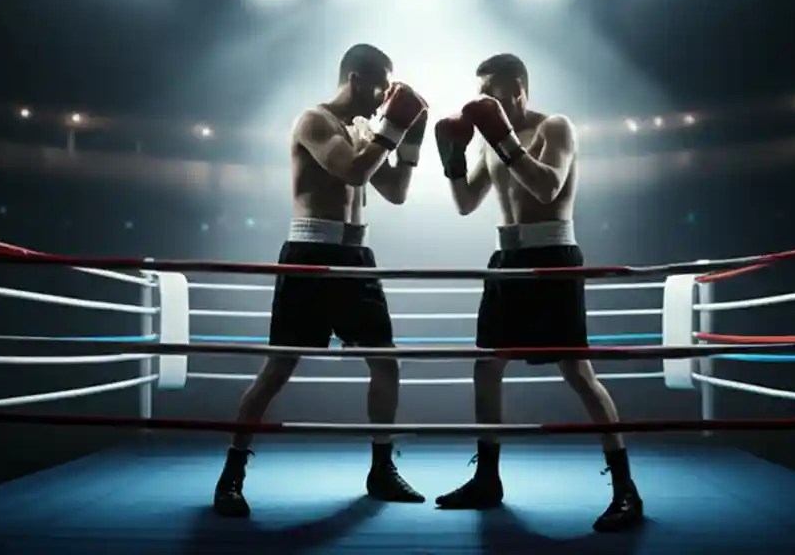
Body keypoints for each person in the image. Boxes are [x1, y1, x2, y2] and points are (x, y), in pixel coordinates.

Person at [213, 43, 429, 517]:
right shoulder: (314, 121)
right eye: (381, 85)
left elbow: (392, 192)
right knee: (277, 370)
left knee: (386, 363)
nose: (385, 96)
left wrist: (411, 138)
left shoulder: (363, 129)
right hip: (310, 253)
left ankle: (381, 470)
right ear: (355, 78)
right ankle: (231, 476)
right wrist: (393, 126)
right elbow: (352, 172)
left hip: (355, 258)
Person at [431, 53, 643, 532]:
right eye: (479, 90)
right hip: (507, 261)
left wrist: (503, 141)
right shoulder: (490, 140)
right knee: (486, 368)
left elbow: (547, 188)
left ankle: (626, 489)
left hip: (552, 256)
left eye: (491, 90)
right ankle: (487, 478)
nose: (482, 100)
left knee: (578, 373)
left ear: (519, 87)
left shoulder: (556, 127)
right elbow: (466, 204)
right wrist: (452, 161)